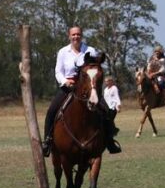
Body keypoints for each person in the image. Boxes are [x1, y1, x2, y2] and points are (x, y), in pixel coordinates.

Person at [41, 26, 121, 157]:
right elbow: (58, 71)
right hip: (68, 87)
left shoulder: (90, 50)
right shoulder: (62, 52)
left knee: (107, 111)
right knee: (51, 111)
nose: (75, 37)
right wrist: (65, 81)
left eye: (78, 34)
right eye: (73, 35)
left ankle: (109, 141)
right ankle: (48, 141)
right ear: (69, 36)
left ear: (81, 36)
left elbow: (95, 68)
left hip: (89, 87)